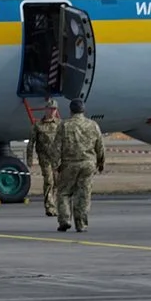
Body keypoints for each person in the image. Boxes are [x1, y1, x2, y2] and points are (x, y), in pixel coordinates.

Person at [55, 99, 107, 233]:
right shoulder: (93, 125)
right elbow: (100, 146)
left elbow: (56, 147)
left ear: (70, 110)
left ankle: (65, 220)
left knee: (64, 192)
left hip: (69, 163)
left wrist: (56, 164)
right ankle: (81, 224)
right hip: (88, 164)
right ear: (83, 110)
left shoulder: (64, 125)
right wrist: (101, 163)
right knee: (83, 194)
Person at [26, 104, 62, 221]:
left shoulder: (60, 124)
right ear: (46, 109)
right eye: (50, 109)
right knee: (49, 181)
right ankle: (49, 207)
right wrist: (29, 158)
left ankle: (55, 204)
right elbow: (31, 143)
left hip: (58, 158)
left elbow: (66, 140)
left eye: (54, 109)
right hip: (45, 158)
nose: (52, 111)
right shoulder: (38, 125)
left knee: (57, 182)